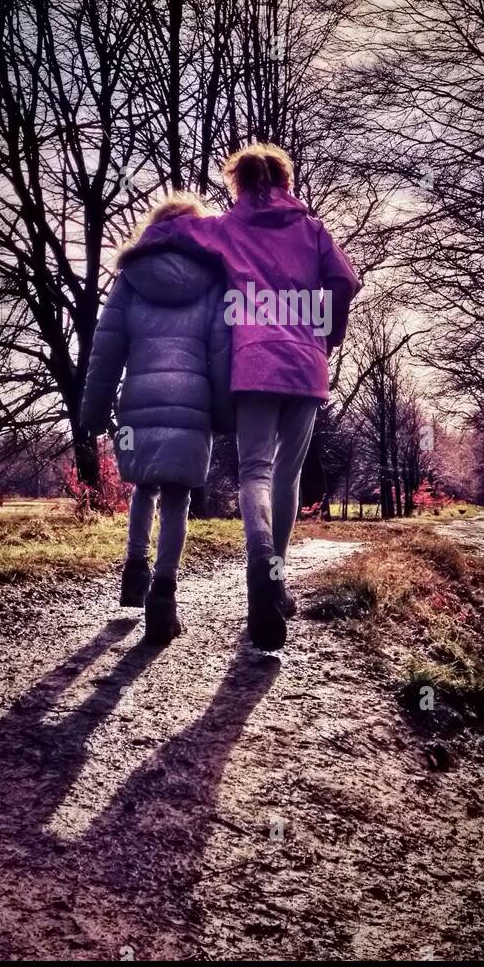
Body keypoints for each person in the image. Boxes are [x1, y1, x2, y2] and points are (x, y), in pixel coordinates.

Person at [137, 143, 360, 651]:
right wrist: (329, 333)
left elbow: (161, 231)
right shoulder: (312, 228)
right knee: (288, 473)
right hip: (305, 362)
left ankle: (261, 565)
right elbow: (344, 281)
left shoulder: (226, 228)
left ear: (237, 184)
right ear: (286, 181)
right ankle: (274, 580)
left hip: (254, 361)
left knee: (255, 471)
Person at [79, 194, 231, 646]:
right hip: (193, 401)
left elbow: (106, 349)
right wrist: (223, 413)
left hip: (138, 400)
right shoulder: (213, 279)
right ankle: (163, 594)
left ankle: (134, 569)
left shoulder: (130, 277)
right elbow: (221, 353)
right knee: (178, 497)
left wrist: (92, 408)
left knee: (143, 486)